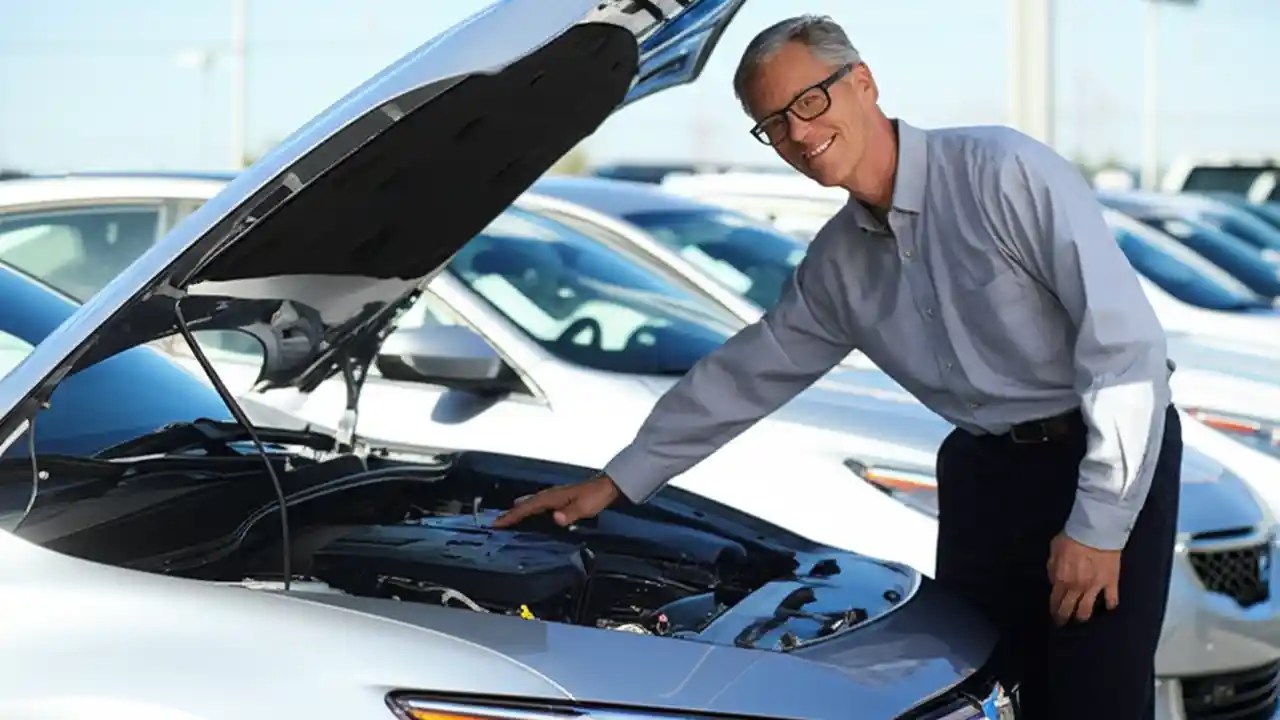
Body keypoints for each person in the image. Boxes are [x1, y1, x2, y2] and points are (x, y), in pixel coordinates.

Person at [496, 14, 1180, 718]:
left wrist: (1097, 528)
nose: (796, 133)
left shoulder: (1001, 171)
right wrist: (613, 482)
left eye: (809, 102)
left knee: (1095, 703)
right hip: (985, 479)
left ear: (863, 82)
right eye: (773, 123)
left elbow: (1125, 352)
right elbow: (745, 374)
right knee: (972, 694)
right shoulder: (839, 263)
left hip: (1097, 458)